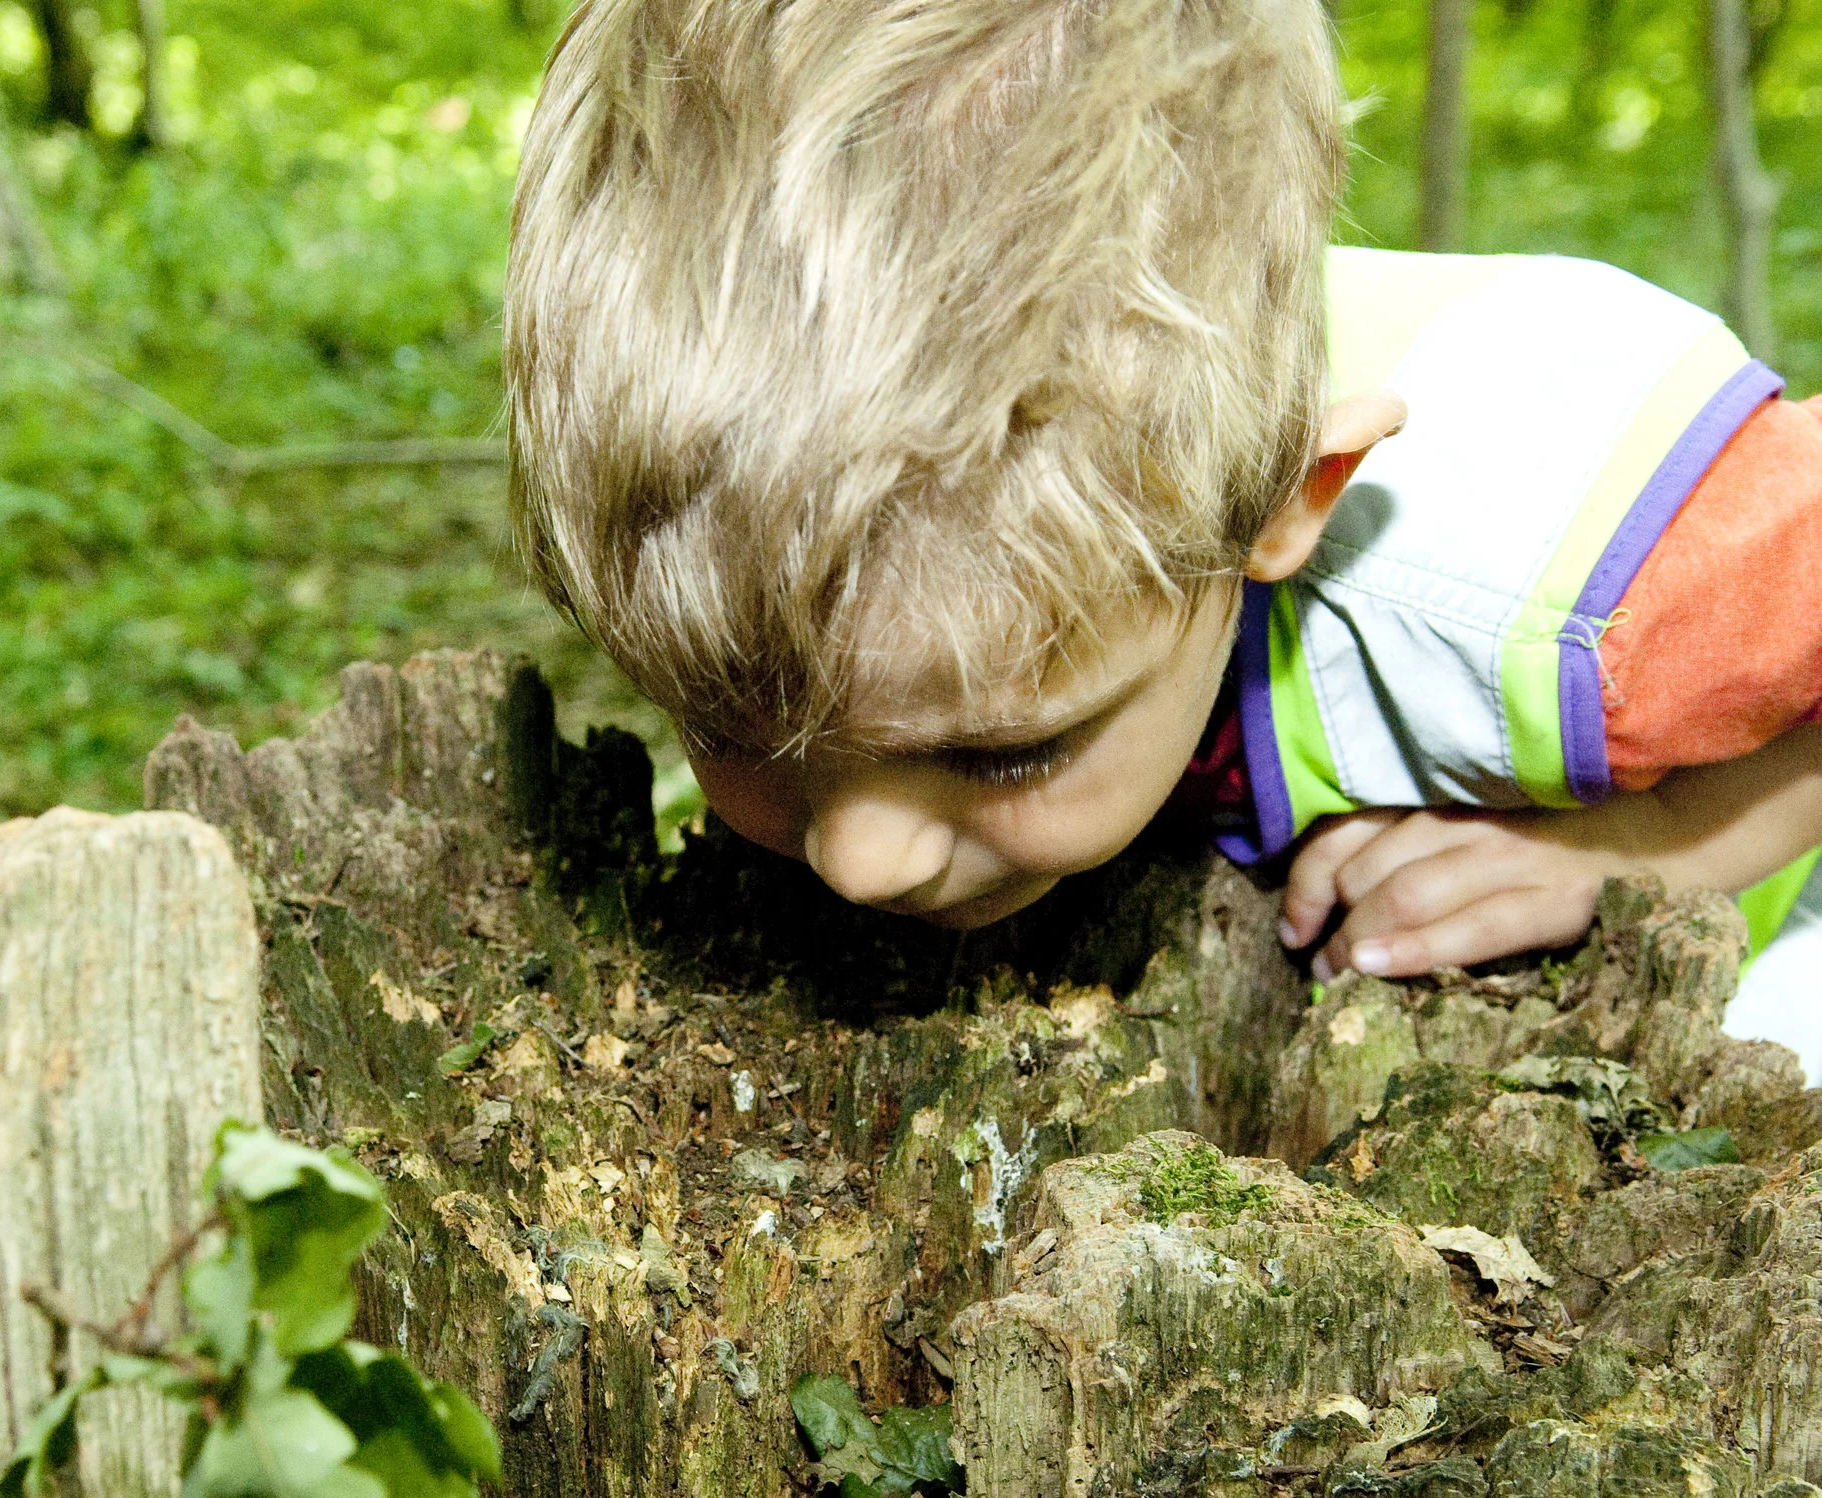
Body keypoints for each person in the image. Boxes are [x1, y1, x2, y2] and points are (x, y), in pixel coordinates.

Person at [501, 0, 1822, 1076]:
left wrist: (1645, 853)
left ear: (1288, 500)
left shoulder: (1578, 587)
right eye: (736, 722)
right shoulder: (1101, 470)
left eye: (1004, 751)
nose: (861, 859)